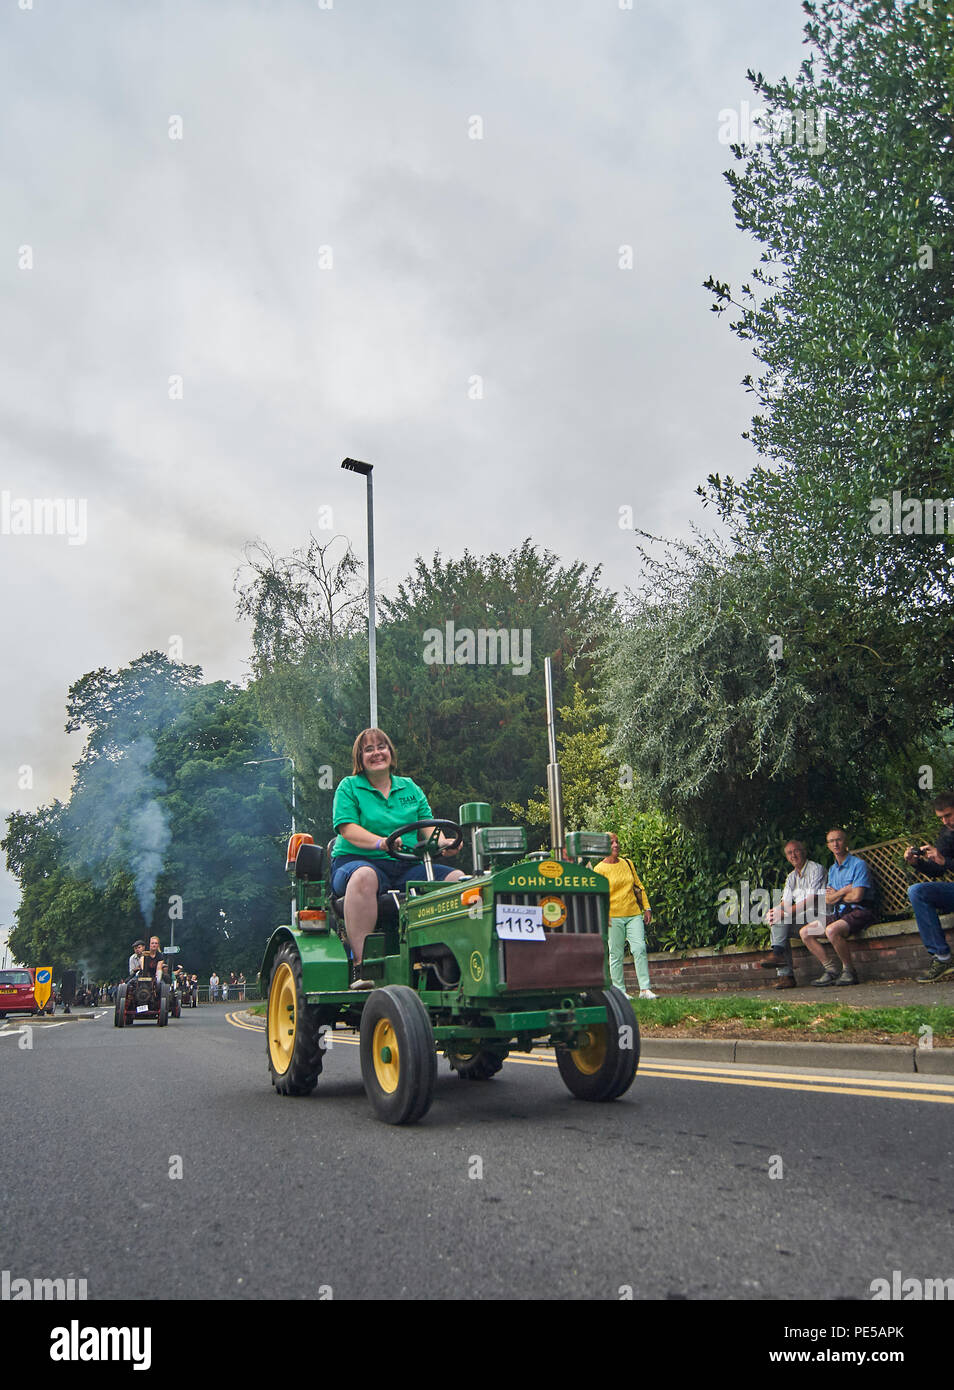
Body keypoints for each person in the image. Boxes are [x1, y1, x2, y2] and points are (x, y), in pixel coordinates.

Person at [331, 727, 467, 990]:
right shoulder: (349, 787)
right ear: (360, 758)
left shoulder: (410, 788)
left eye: (381, 747)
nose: (376, 753)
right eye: (368, 749)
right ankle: (363, 967)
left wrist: (446, 844)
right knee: (365, 876)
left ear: (391, 753)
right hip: (356, 861)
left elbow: (429, 833)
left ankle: (450, 961)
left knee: (457, 879)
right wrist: (380, 842)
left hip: (405, 865)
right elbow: (347, 828)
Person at [798, 829, 875, 986]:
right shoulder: (833, 870)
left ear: (845, 842)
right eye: (832, 841)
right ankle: (831, 970)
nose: (835, 844)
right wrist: (846, 890)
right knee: (805, 932)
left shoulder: (858, 865)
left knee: (831, 930)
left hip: (860, 911)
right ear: (828, 845)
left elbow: (857, 896)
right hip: (839, 913)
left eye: (838, 840)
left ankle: (849, 971)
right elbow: (828, 900)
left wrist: (838, 895)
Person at [591, 833, 656, 999]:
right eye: (611, 842)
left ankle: (645, 990)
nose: (615, 845)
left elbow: (639, 886)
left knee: (640, 948)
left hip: (633, 913)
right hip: (613, 916)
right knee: (616, 954)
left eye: (617, 842)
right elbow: (598, 895)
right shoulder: (599, 869)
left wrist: (647, 908)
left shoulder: (628, 863)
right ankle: (620, 991)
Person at [759, 840, 827, 989]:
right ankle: (786, 975)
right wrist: (775, 911)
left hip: (820, 916)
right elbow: (786, 902)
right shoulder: (791, 877)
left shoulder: (816, 869)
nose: (793, 855)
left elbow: (811, 901)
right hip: (804, 918)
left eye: (796, 851)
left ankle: (780, 961)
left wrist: (783, 913)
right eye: (789, 853)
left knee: (781, 921)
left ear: (804, 851)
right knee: (778, 922)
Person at [905, 792, 954, 982]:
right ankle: (942, 958)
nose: (945, 821)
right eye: (940, 818)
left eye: (948, 815)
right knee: (917, 891)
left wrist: (945, 861)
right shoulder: (947, 834)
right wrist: (917, 863)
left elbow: (945, 863)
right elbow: (937, 870)